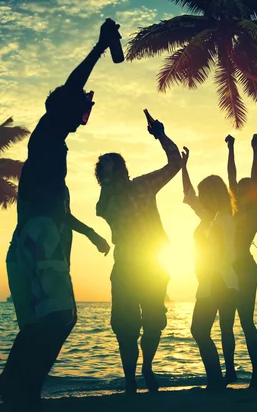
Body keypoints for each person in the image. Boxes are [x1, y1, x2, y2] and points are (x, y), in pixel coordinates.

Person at [0, 19, 117, 410]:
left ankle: (18, 387)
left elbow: (59, 211)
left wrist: (89, 235)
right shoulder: (48, 133)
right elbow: (71, 86)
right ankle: (18, 385)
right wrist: (100, 47)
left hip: (32, 238)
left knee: (40, 323)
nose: (84, 119)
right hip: (39, 237)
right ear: (66, 108)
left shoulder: (52, 151)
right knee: (60, 318)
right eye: (83, 111)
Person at [95, 116, 182, 394]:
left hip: (152, 264)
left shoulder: (143, 185)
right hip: (125, 267)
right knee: (125, 326)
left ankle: (146, 368)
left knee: (154, 320)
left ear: (121, 171)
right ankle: (131, 378)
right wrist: (108, 185)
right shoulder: (106, 199)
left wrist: (161, 135)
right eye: (102, 173)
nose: (106, 176)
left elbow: (175, 164)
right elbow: (102, 212)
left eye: (110, 171)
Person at [180, 147, 238, 390]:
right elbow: (188, 195)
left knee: (199, 329)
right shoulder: (210, 217)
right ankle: (218, 379)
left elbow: (224, 252)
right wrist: (183, 166)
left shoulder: (221, 219)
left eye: (205, 194)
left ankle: (216, 380)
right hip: (219, 282)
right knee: (206, 330)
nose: (200, 198)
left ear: (213, 195)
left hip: (218, 281)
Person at [223, 134, 257, 387]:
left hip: (245, 269)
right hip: (229, 269)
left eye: (242, 187)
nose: (236, 188)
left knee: (246, 321)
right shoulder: (234, 211)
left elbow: (255, 179)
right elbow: (231, 177)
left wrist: (256, 152)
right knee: (226, 322)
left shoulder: (255, 212)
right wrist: (231, 148)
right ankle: (230, 372)